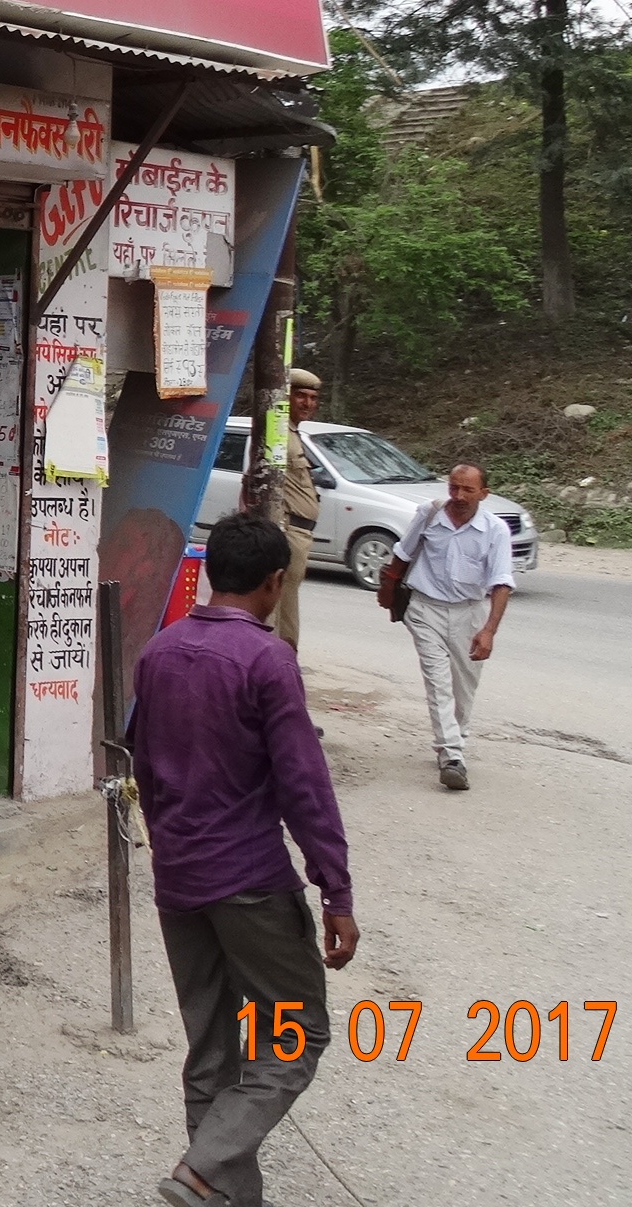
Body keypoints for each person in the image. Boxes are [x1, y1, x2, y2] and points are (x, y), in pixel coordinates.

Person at [130, 511, 357, 1207]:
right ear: (273, 582)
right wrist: (336, 892)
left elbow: (142, 758)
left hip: (180, 881)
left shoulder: (159, 651)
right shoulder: (267, 660)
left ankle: (221, 1190)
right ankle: (205, 1171)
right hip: (251, 881)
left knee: (214, 1045)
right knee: (297, 1034)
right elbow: (304, 785)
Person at [389, 464, 514, 791]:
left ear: (483, 494)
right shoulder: (429, 516)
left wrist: (488, 630)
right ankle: (452, 755)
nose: (458, 496)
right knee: (438, 683)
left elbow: (502, 583)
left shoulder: (495, 531)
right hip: (425, 609)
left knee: (463, 690)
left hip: (469, 613)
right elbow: (402, 554)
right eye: (453, 488)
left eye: (467, 490)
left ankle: (453, 742)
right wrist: (387, 588)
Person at [272, 370, 324, 654]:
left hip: (300, 533)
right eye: (301, 396)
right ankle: (283, 664)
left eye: (313, 398)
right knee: (284, 612)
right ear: (286, 396)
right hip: (288, 531)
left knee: (286, 606)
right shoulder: (278, 431)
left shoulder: (292, 432)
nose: (307, 403)